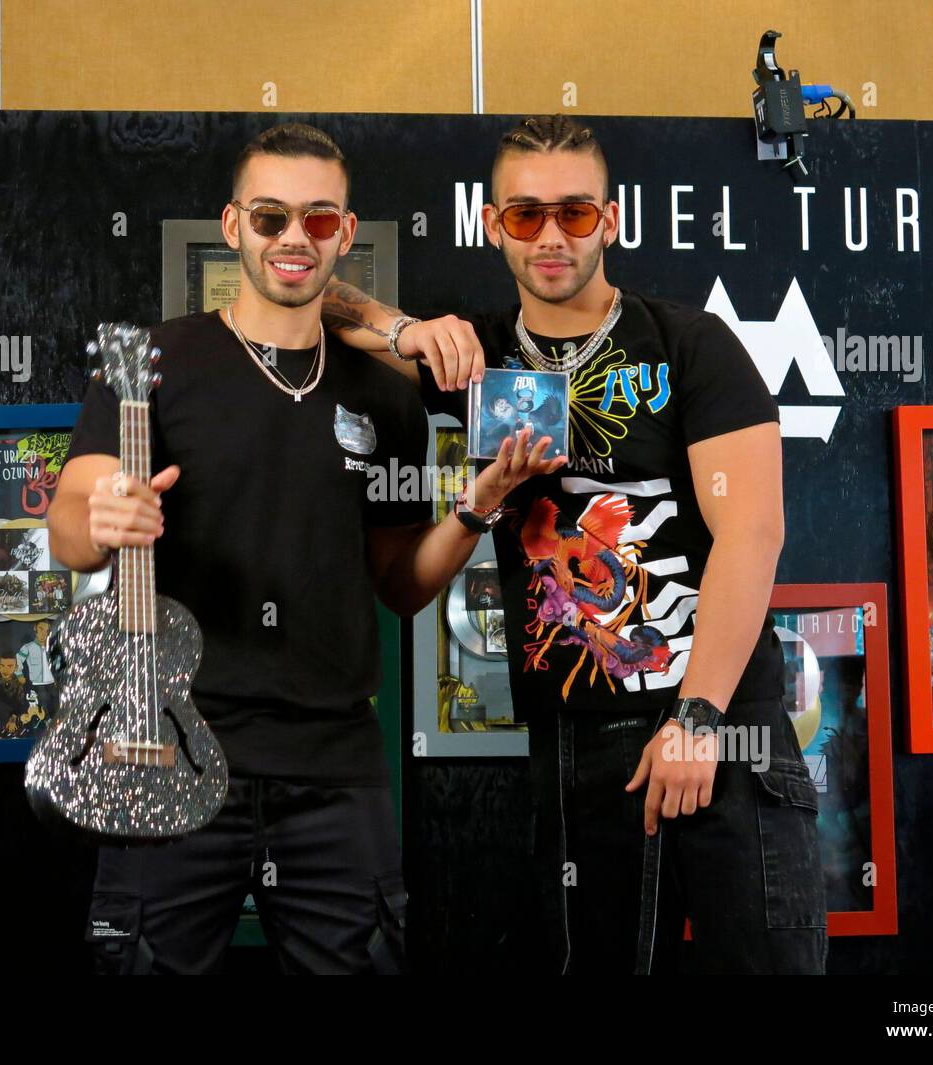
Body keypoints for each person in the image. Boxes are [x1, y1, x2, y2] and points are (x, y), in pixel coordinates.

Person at [49, 122, 562, 975]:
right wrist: (102, 517)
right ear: (233, 224)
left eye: (319, 221)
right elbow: (69, 528)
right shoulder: (154, 364)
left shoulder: (384, 398)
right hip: (167, 747)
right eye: (271, 217)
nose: (295, 238)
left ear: (345, 236)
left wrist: (472, 511)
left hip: (336, 770)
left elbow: (399, 585)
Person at [322, 114, 826, 974]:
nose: (551, 235)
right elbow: (318, 300)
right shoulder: (475, 357)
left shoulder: (688, 344)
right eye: (525, 215)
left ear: (613, 219)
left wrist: (697, 718)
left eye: (575, 213)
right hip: (577, 741)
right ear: (492, 225)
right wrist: (406, 329)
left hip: (723, 722)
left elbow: (753, 529)